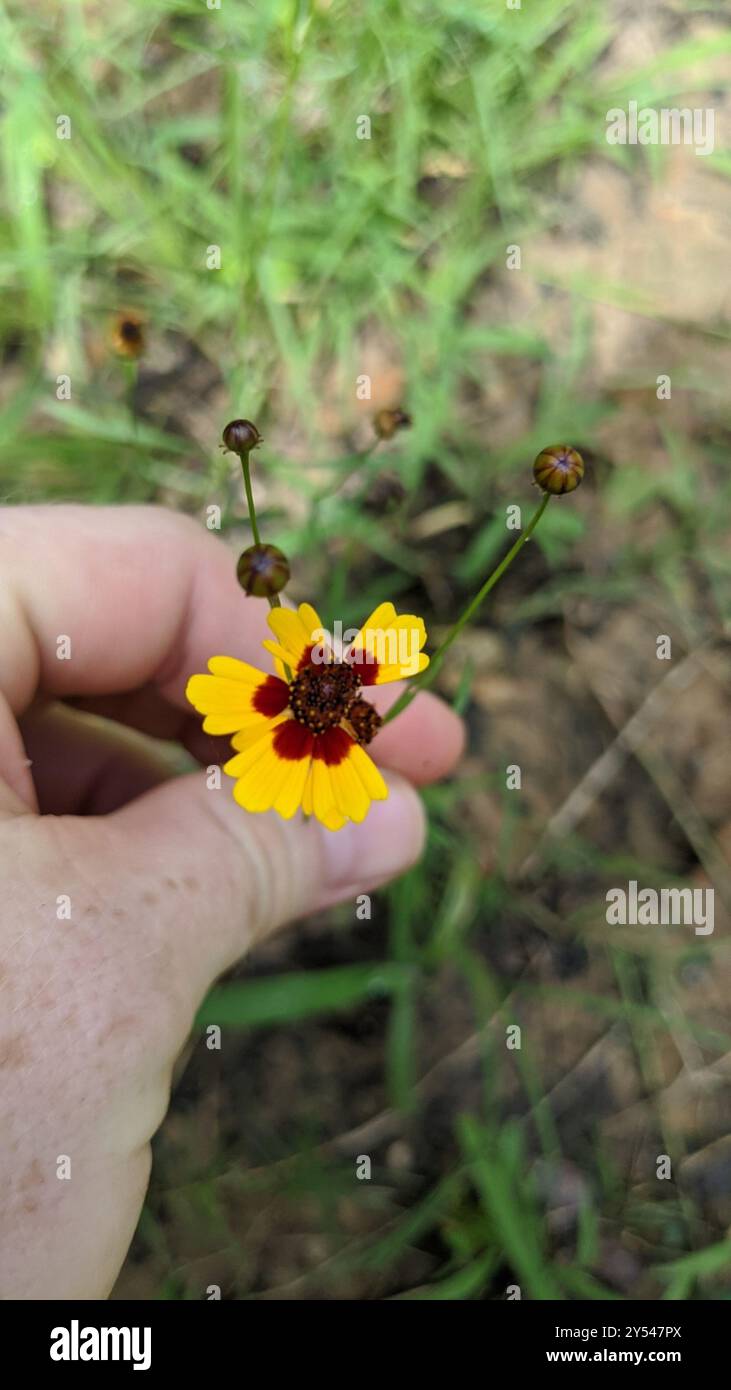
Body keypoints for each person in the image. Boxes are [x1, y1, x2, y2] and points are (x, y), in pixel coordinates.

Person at [0, 506, 464, 1299]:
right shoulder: (279, 704)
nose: (325, 679)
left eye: (333, 675)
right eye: (314, 675)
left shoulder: (347, 696)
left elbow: (370, 671)